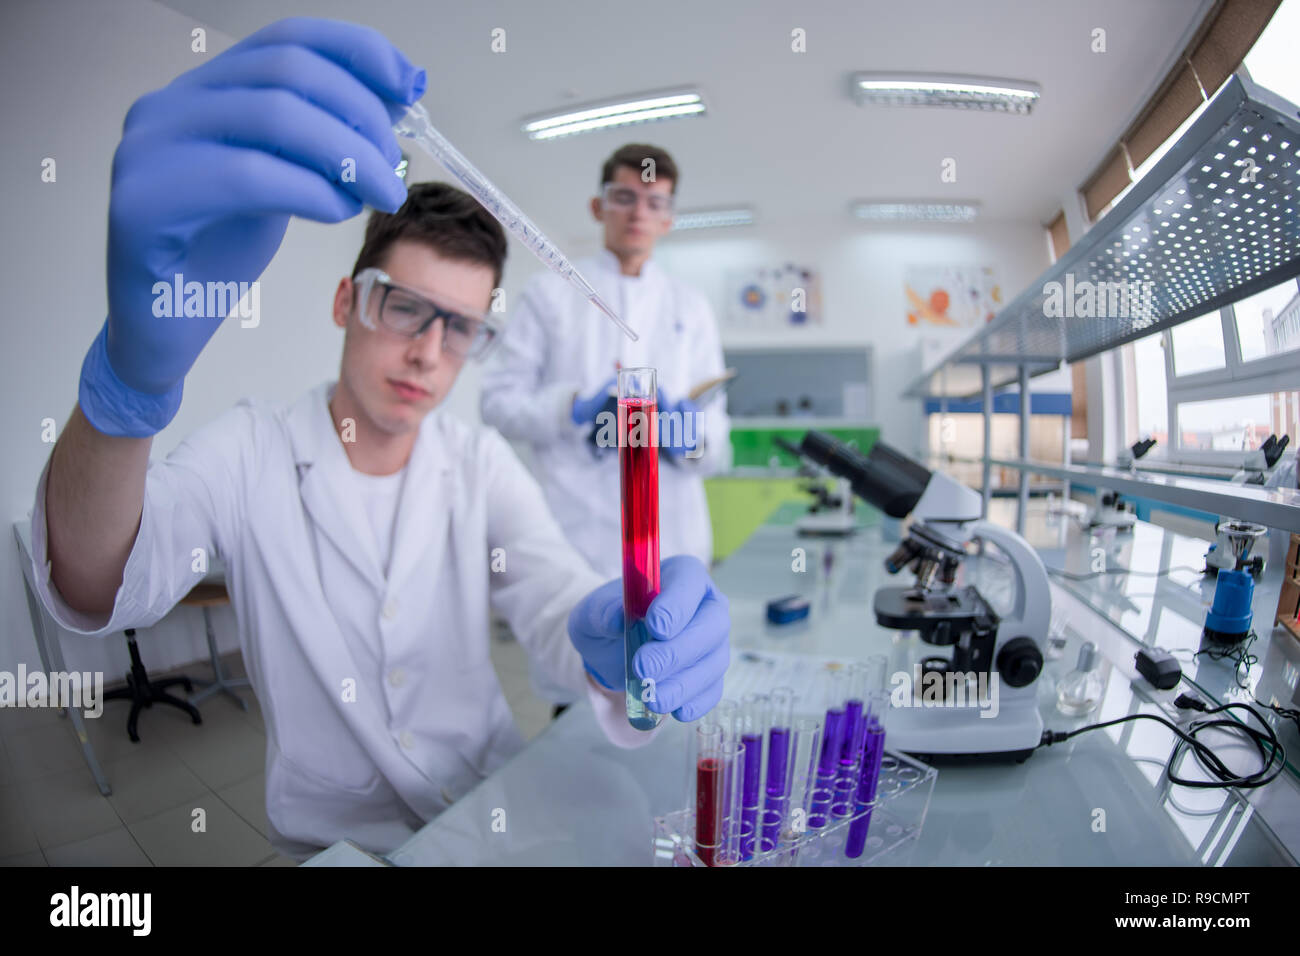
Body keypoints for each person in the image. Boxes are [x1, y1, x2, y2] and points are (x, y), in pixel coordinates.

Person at [27, 17, 729, 861]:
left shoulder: (475, 466)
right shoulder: (251, 450)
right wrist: (125, 390)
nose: (430, 352)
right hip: (333, 850)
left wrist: (610, 631)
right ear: (345, 303)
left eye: (462, 327)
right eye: (405, 306)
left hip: (496, 816)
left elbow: (549, 597)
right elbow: (99, 583)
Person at [480, 144, 731, 581]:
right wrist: (571, 408)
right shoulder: (549, 294)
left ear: (668, 219)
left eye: (655, 203)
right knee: (573, 644)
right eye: (624, 197)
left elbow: (717, 445)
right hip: (574, 538)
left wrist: (689, 439)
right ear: (598, 207)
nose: (638, 213)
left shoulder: (691, 307)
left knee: (670, 645)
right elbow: (497, 403)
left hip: (674, 539)